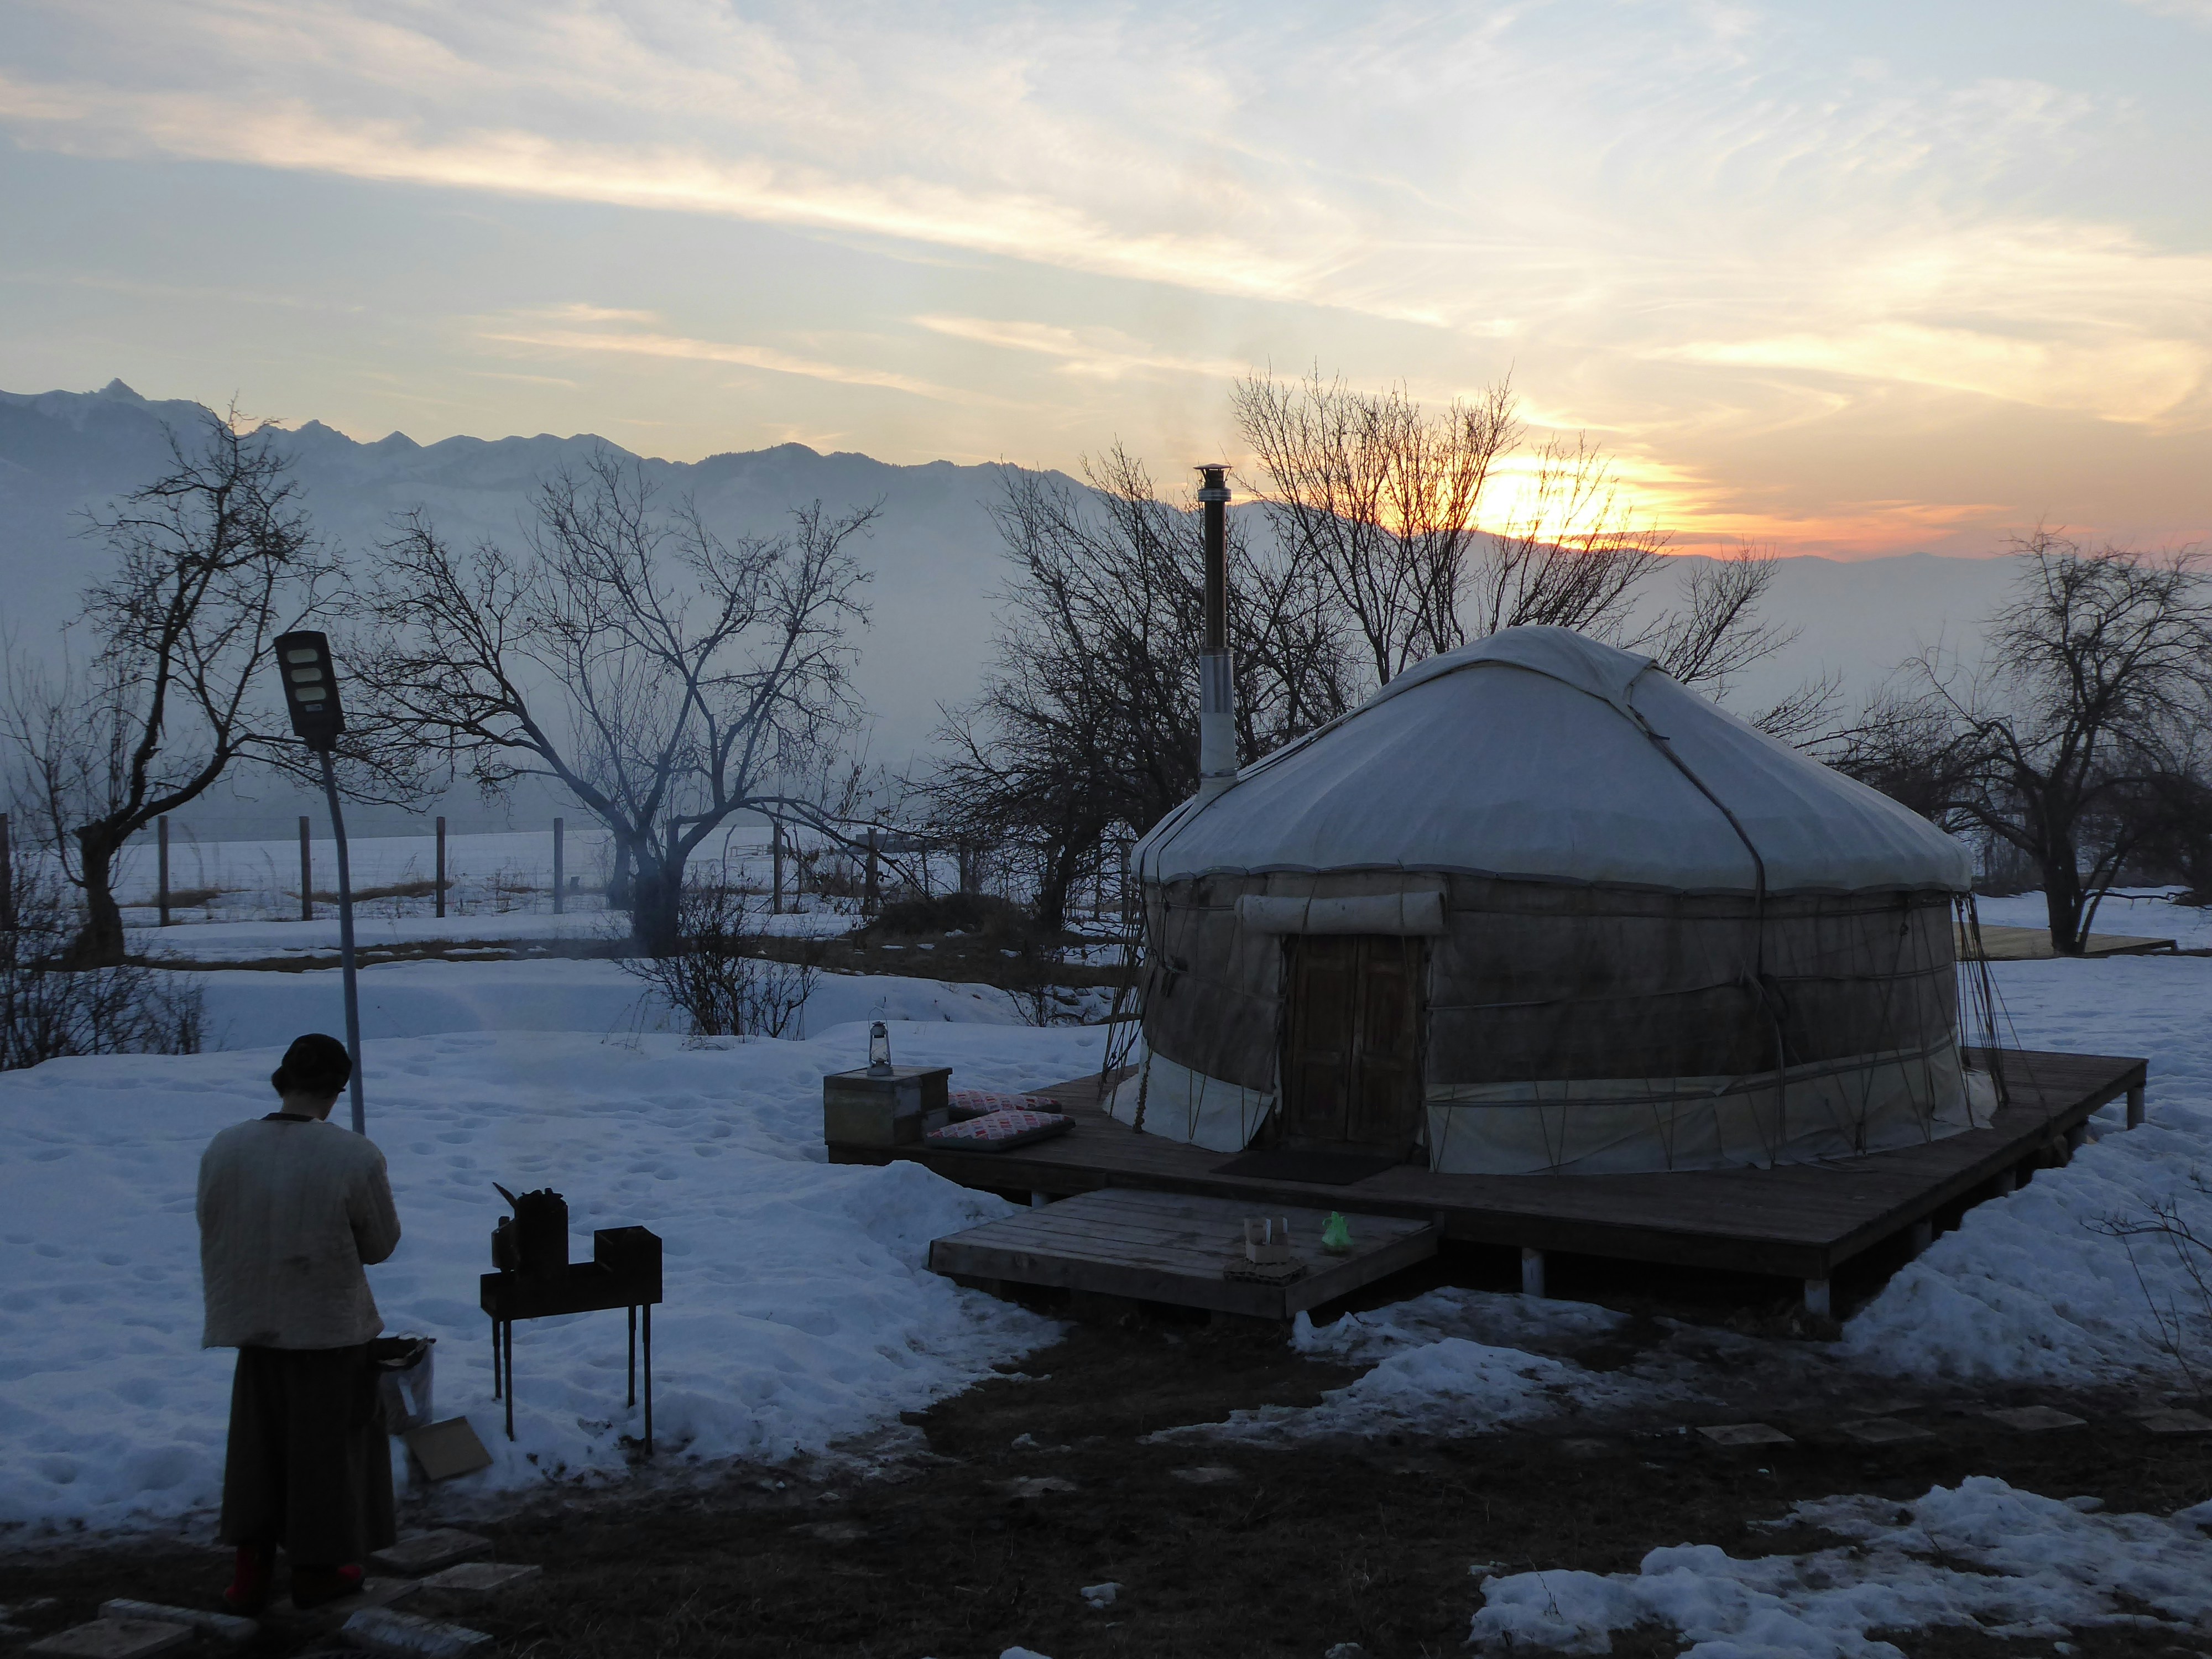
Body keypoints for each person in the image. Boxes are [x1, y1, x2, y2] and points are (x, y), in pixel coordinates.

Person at [197, 1032, 401, 1613]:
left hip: (252, 1325)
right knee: (324, 1453)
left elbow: (212, 1223)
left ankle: (250, 1574)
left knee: (257, 1451)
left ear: (282, 1080)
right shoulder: (353, 1156)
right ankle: (318, 1570)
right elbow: (380, 1244)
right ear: (337, 1092)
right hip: (327, 1329)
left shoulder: (225, 1147)